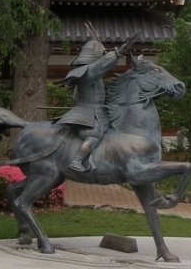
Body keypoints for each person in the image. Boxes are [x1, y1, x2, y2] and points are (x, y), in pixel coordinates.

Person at [56, 31, 140, 173]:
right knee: (94, 134)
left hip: (95, 112)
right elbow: (102, 65)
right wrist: (119, 52)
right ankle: (76, 161)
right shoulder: (88, 73)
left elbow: (76, 97)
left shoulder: (88, 75)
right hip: (87, 114)